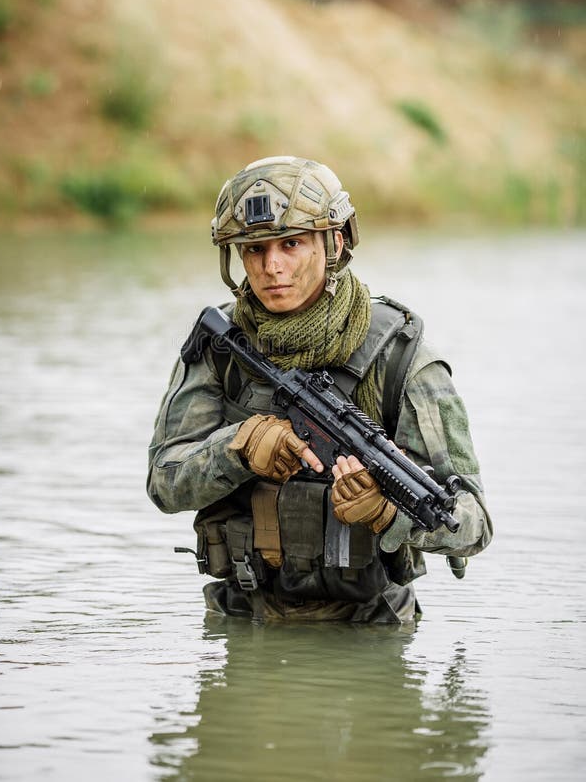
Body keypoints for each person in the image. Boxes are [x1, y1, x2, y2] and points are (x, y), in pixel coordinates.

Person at [147, 156, 492, 623]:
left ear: (334, 244)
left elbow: (473, 524)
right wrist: (237, 449)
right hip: (244, 616)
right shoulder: (222, 348)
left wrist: (387, 513)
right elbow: (164, 484)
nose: (272, 266)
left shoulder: (401, 361)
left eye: (291, 244)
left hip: (370, 627)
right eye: (254, 249)